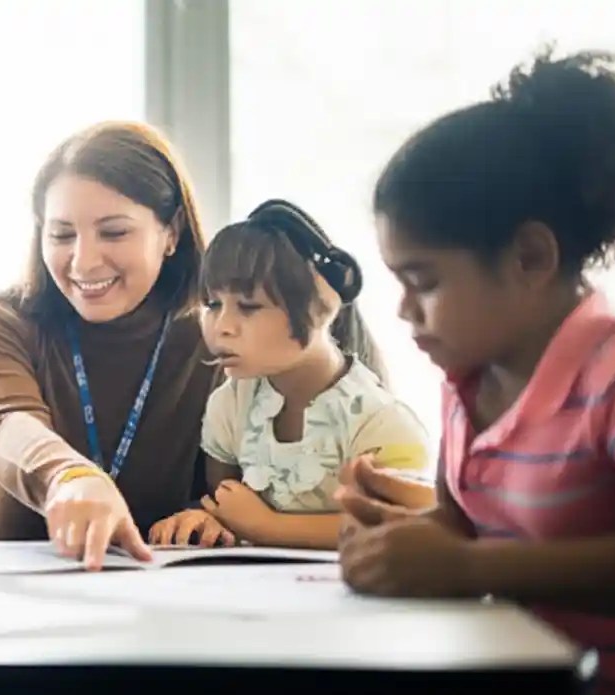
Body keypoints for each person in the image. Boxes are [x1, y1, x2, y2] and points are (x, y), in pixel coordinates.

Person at [340, 50, 615, 695]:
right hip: (512, 685)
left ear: (530, 257)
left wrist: (465, 570)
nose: (403, 312)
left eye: (423, 283)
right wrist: (395, 545)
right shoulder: (467, 384)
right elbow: (465, 530)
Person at [0, 120, 217, 569]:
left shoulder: (216, 338)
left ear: (171, 233)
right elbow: (5, 424)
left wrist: (214, 517)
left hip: (161, 611)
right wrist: (70, 476)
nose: (84, 261)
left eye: (113, 233)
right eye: (62, 234)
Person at [148, 200, 429, 550]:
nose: (222, 327)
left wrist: (269, 526)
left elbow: (403, 526)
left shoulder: (380, 422)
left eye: (249, 306)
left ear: (320, 308)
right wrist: (208, 520)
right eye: (213, 304)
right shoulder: (231, 404)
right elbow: (226, 506)